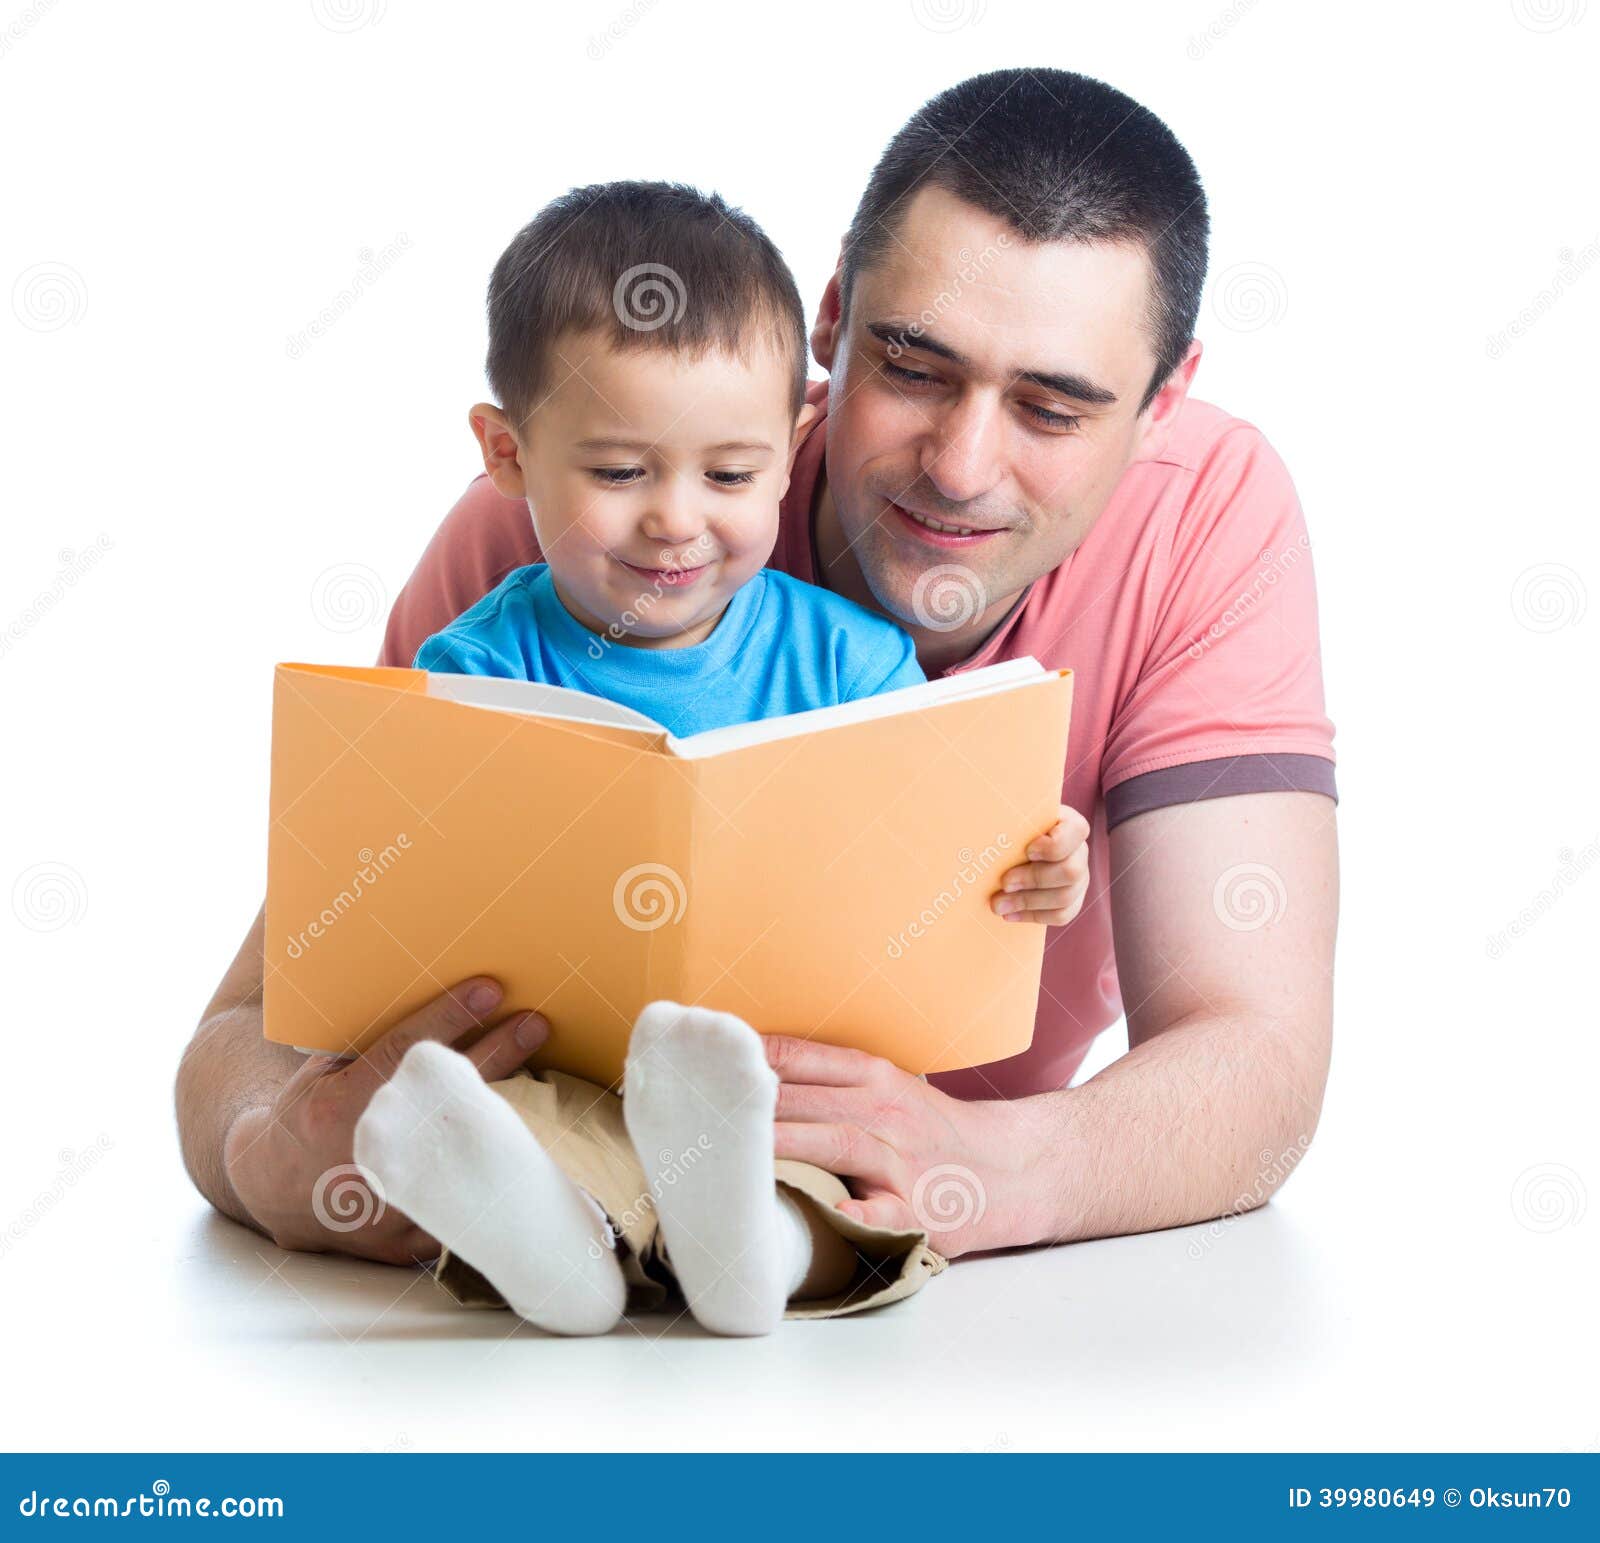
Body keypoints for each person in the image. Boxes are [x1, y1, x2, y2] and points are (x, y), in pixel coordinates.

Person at [177, 66, 1335, 1283]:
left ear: (1165, 403)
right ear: (832, 315)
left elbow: (1255, 1062)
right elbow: (249, 1026)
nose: (959, 464)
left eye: (1052, 409)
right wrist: (277, 1157)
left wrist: (966, 1166)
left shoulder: (1209, 514)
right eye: (914, 367)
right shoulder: (561, 533)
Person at [351, 179, 1083, 1335]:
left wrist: (1036, 865)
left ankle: (749, 1250)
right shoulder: (472, 664)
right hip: (562, 1068)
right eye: (619, 472)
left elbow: (945, 861)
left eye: (729, 476)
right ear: (505, 451)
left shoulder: (854, 657)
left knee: (833, 1174)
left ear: (795, 440)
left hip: (785, 1085)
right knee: (524, 1122)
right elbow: (394, 900)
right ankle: (560, 1262)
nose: (677, 520)